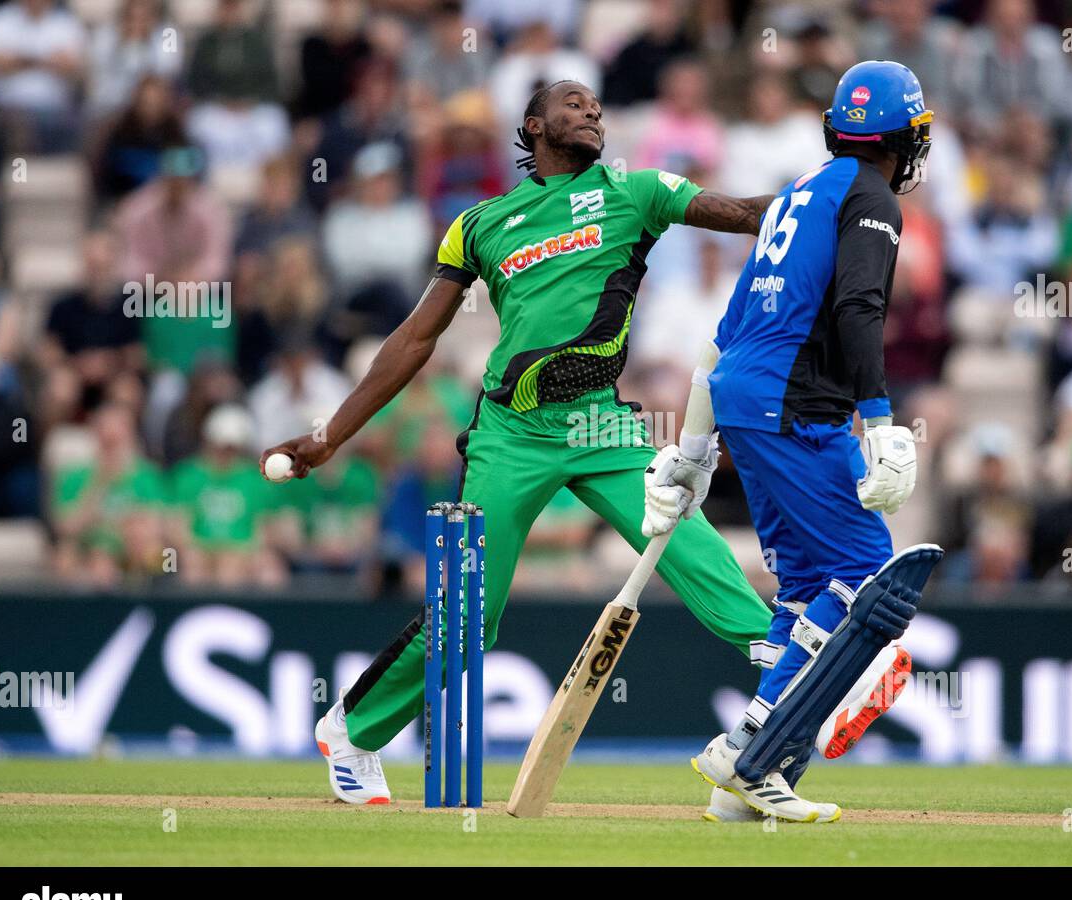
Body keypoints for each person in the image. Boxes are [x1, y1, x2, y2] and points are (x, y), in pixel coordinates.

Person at [260, 80, 780, 805]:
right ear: (534, 125)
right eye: (574, 103)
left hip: (600, 422)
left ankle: (777, 655)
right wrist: (330, 435)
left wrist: (834, 191)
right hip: (510, 432)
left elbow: (752, 215)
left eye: (597, 105)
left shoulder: (639, 190)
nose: (593, 110)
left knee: (678, 529)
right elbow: (415, 339)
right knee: (472, 621)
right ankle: (351, 731)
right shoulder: (480, 223)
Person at [646, 61, 938, 822]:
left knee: (806, 589)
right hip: (794, 404)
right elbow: (860, 308)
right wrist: (880, 420)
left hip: (747, 396)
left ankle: (745, 786)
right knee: (870, 575)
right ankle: (752, 747)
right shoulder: (869, 196)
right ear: (904, 139)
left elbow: (724, 335)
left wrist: (693, 447)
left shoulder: (795, 195)